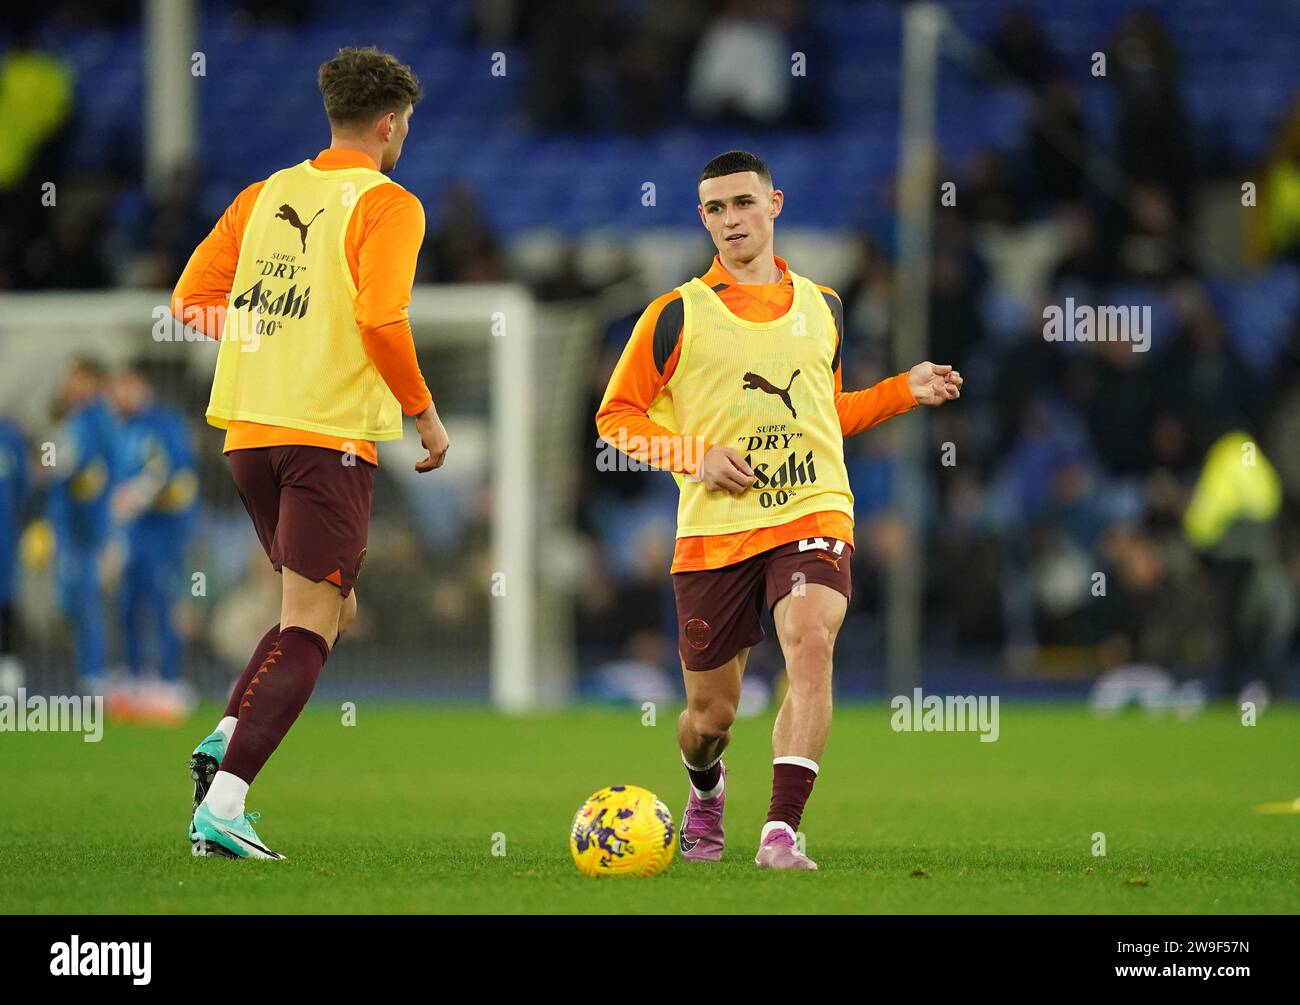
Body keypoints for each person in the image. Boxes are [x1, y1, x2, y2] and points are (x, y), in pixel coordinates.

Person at [595, 150, 962, 870]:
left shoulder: (823, 306)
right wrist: (692, 454)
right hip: (716, 532)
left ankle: (780, 831)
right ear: (703, 218)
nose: (730, 219)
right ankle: (706, 788)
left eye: (742, 203)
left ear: (775, 205)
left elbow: (825, 414)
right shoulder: (674, 315)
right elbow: (615, 417)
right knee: (711, 718)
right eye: (715, 208)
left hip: (812, 508)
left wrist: (902, 389)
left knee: (810, 638)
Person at [169, 46, 449, 859]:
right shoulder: (388, 203)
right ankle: (224, 803)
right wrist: (425, 416)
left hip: (249, 438)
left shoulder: (264, 194)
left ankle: (227, 734)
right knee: (313, 620)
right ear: (391, 124)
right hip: (327, 439)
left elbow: (190, 300)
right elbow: (383, 322)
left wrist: (266, 338)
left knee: (332, 609)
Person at [108, 365, 198, 723]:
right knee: (128, 604)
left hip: (164, 534)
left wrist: (140, 494)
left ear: (140, 385)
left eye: (123, 387)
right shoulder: (124, 430)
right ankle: (134, 679)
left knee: (162, 605)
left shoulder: (164, 424)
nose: (118, 396)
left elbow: (175, 473)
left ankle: (170, 683)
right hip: (135, 535)